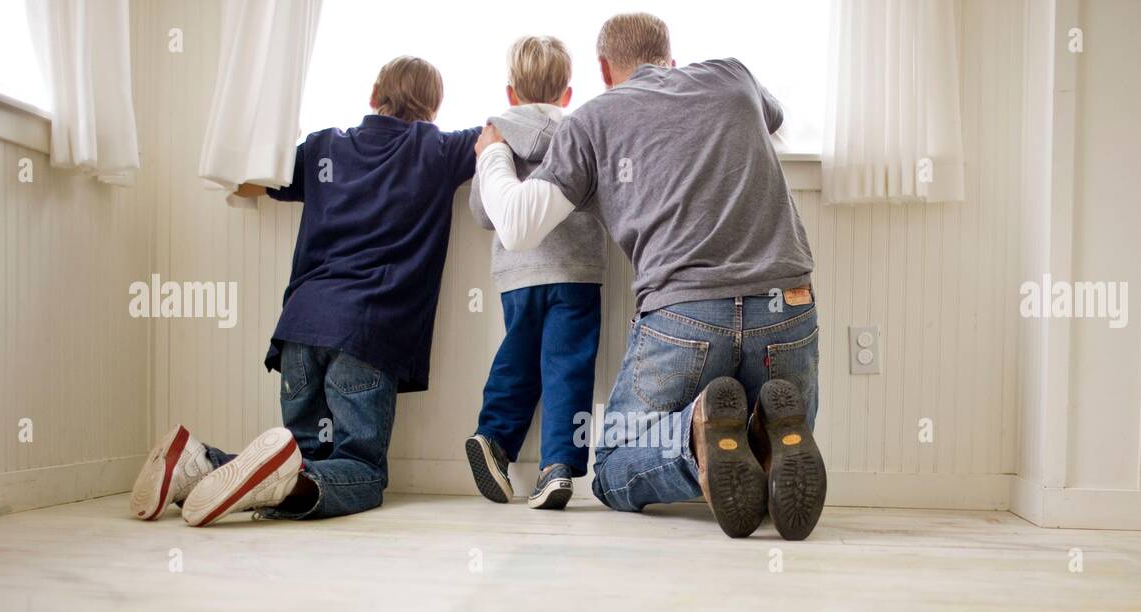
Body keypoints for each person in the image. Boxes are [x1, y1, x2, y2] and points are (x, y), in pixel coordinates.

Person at [474, 13, 827, 539]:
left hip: (685, 316)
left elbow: (519, 225)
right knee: (764, 434)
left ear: (602, 69)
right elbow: (773, 121)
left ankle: (696, 442)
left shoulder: (594, 120)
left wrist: (493, 154)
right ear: (671, 56)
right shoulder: (733, 75)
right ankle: (766, 443)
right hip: (788, 305)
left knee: (612, 467)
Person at [130, 56, 480, 526]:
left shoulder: (323, 148)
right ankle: (268, 479)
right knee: (362, 470)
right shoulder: (437, 150)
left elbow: (252, 179)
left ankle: (200, 463)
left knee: (303, 453)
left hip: (300, 326)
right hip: (368, 334)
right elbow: (505, 136)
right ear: (433, 109)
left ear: (373, 95)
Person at [465, 36, 607, 510]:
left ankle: (494, 441)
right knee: (567, 366)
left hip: (518, 274)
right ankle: (557, 468)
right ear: (567, 93)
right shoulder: (580, 131)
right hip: (576, 272)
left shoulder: (496, 134)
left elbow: (485, 214)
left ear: (511, 93)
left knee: (518, 358)